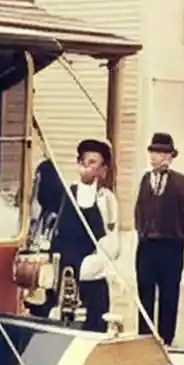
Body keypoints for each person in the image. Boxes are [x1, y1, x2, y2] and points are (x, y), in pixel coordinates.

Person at [49, 139, 119, 332]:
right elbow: (57, 229)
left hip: (93, 270)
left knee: (95, 319)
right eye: (84, 162)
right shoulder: (68, 193)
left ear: (103, 169)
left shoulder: (107, 199)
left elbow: (112, 240)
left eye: (93, 163)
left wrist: (96, 263)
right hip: (67, 268)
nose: (87, 168)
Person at [133, 132, 184, 345]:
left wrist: (180, 237)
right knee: (144, 290)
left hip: (170, 245)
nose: (154, 157)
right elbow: (139, 209)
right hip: (147, 245)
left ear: (169, 156)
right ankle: (145, 335)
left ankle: (166, 337)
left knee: (169, 292)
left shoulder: (179, 182)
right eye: (152, 152)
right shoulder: (145, 179)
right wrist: (141, 232)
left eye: (159, 153)